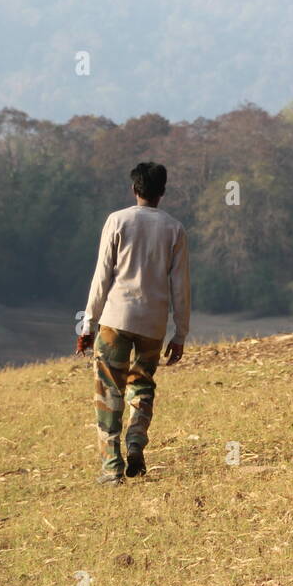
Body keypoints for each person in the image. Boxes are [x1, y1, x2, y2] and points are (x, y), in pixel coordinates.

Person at [75, 162, 191, 484]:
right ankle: (136, 441)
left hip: (115, 319)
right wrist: (180, 333)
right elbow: (181, 287)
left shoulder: (117, 221)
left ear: (134, 189)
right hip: (153, 325)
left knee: (109, 392)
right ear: (162, 192)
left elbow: (102, 277)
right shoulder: (175, 229)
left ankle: (112, 469)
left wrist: (87, 324)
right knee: (141, 385)